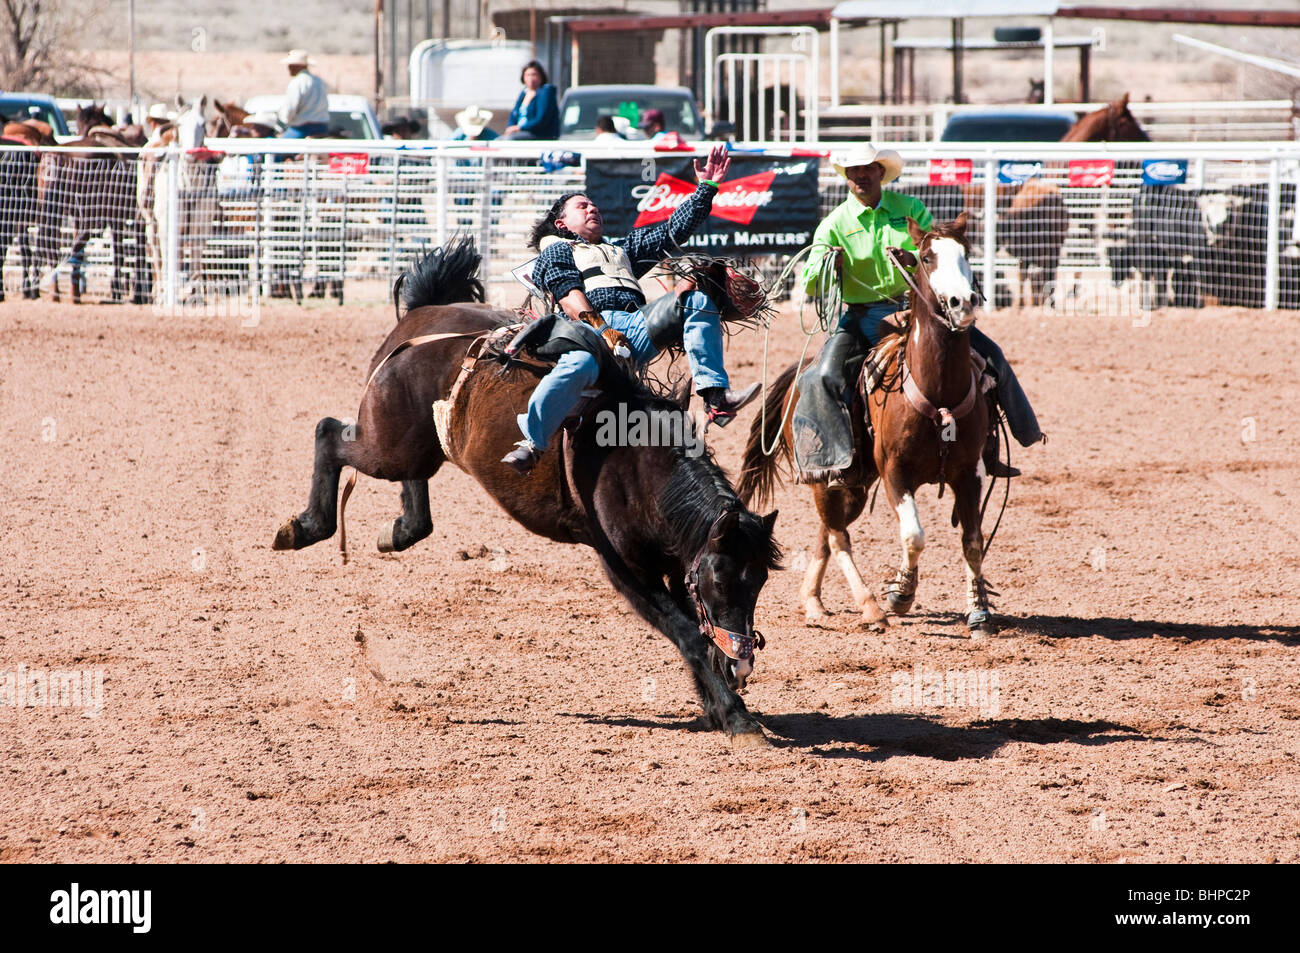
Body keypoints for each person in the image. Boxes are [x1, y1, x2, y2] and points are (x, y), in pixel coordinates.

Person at [502, 143, 761, 474]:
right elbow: (568, 296)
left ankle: (715, 397)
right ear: (562, 223)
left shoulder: (620, 248)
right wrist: (603, 330)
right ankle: (533, 442)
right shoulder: (556, 251)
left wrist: (707, 188)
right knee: (577, 365)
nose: (592, 208)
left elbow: (672, 231)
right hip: (588, 333)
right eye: (582, 206)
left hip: (635, 326)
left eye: (594, 205)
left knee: (696, 298)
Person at [799, 142, 1043, 484]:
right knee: (821, 376)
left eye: (867, 168)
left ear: (880, 172)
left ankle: (1005, 441)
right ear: (847, 176)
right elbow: (810, 283)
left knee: (992, 357)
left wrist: (912, 261)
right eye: (854, 171)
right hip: (862, 315)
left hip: (917, 312)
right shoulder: (834, 225)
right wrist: (829, 264)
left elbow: (937, 251)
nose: (861, 176)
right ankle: (836, 457)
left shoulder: (910, 208)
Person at [277, 49, 330, 139]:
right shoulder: (319, 81)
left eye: (291, 65)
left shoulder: (297, 82)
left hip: (302, 128)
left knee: (275, 150)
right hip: (322, 127)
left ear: (298, 66)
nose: (289, 68)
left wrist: (286, 120)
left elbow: (291, 107)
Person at [503, 60, 559, 140]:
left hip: (538, 134)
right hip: (519, 133)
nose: (531, 78)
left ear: (541, 76)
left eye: (534, 75)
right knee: (493, 138)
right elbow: (514, 115)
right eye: (527, 75)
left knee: (508, 140)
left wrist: (520, 128)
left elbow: (541, 120)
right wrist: (511, 127)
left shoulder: (545, 92)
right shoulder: (524, 93)